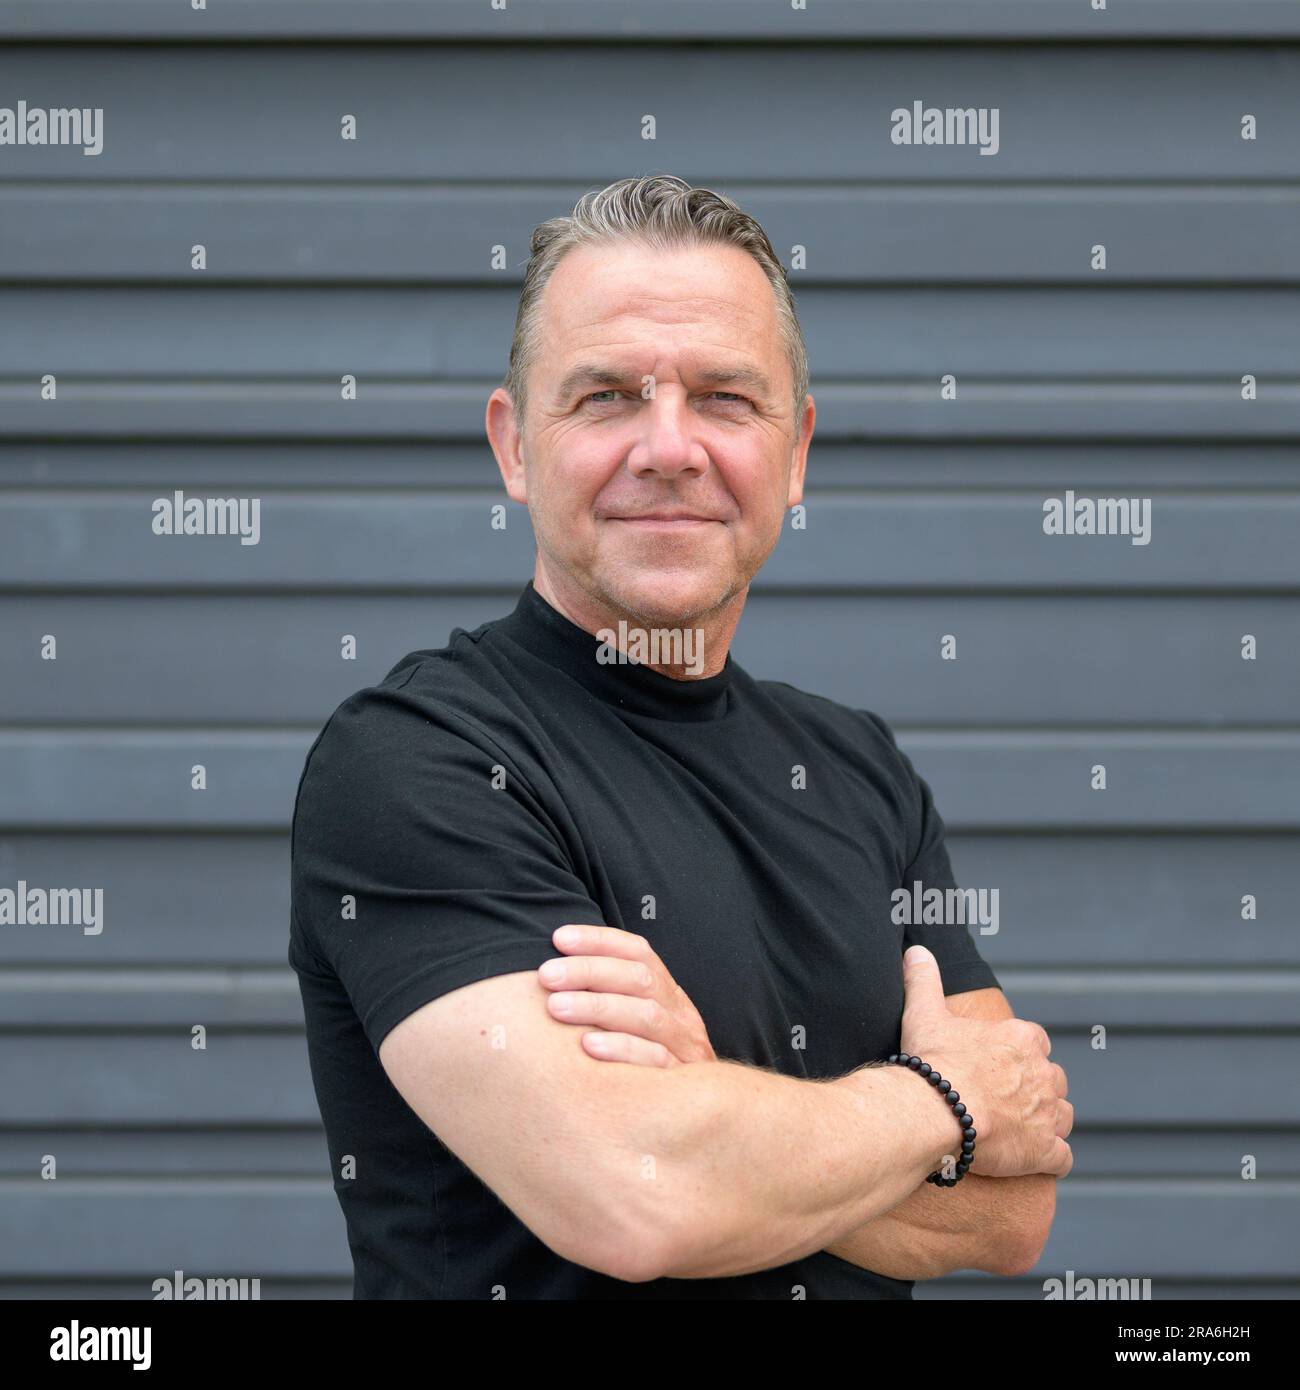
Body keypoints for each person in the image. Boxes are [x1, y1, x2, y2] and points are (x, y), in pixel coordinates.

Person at [289, 173, 1072, 1299]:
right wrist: (938, 1104)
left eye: (724, 398)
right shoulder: (421, 760)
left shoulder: (860, 773)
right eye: (606, 395)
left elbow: (1011, 1213)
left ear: (795, 453)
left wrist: (712, 1089)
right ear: (513, 447)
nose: (669, 447)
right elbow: (639, 1194)